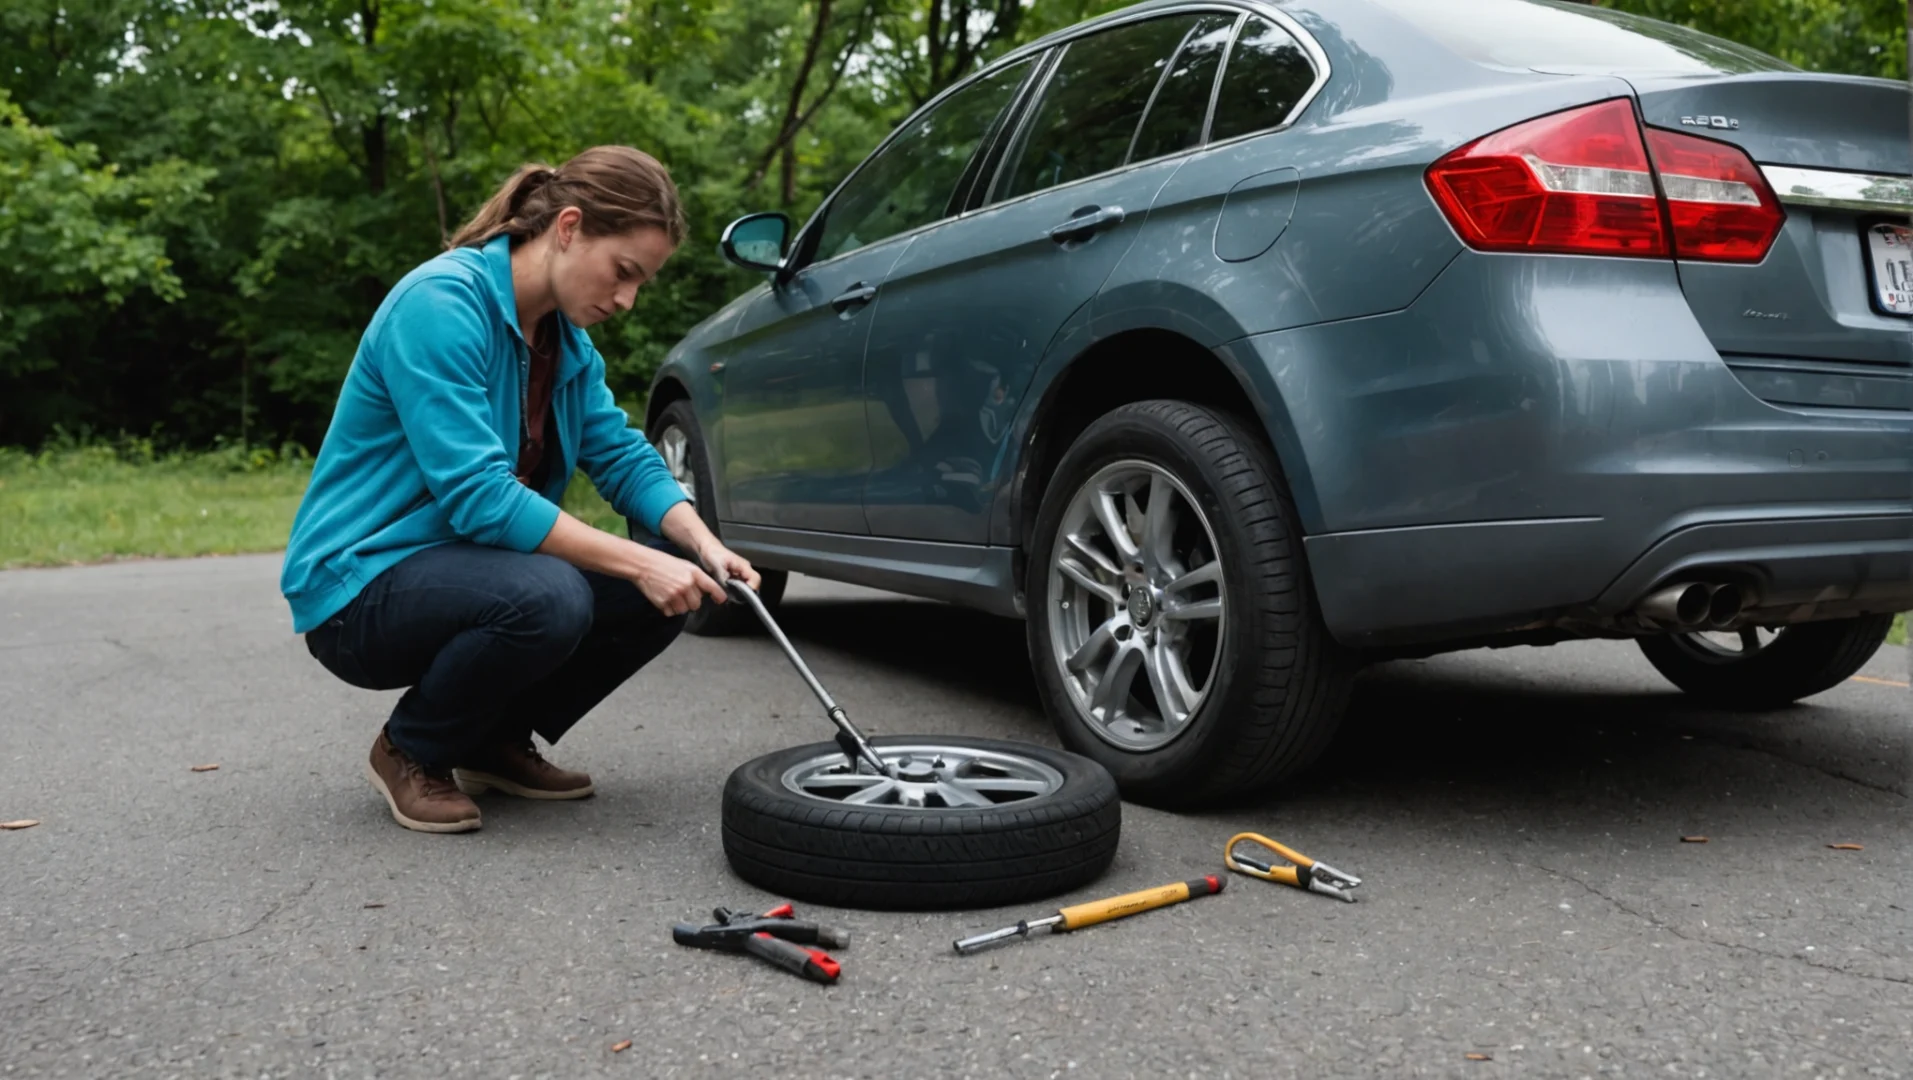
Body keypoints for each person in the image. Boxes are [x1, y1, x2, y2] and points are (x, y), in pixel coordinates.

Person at [279, 146, 760, 835]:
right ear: (567, 228)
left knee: (669, 585)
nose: (626, 299)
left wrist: (703, 545)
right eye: (623, 272)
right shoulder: (440, 305)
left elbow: (622, 454)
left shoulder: (565, 343)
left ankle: (488, 740)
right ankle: (411, 747)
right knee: (553, 595)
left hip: (469, 571)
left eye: (641, 283)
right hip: (359, 590)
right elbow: (479, 496)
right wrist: (640, 561)